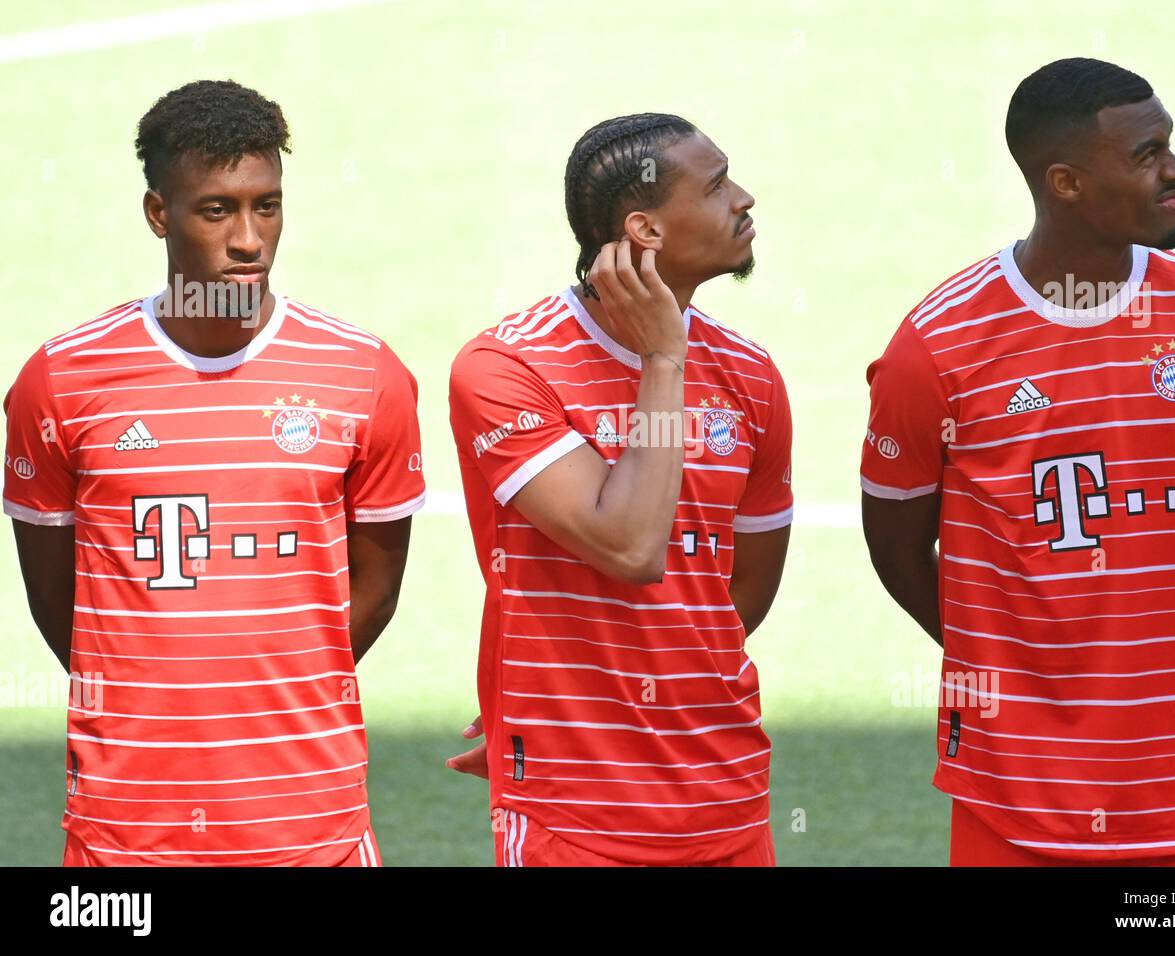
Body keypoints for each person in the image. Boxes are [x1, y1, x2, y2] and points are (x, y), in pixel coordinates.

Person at [859, 58, 1175, 866]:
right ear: (1064, 182)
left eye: (1170, 145)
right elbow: (894, 544)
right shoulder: (937, 348)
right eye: (1145, 154)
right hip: (1012, 790)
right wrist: (1004, 658)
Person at [3, 80, 424, 866]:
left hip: (311, 821)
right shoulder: (60, 381)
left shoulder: (366, 376)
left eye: (266, 206)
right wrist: (157, 696)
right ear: (159, 214)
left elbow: (374, 589)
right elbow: (59, 603)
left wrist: (273, 687)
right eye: (217, 210)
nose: (248, 239)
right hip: (127, 828)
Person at [446, 113, 793, 866]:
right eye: (715, 186)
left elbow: (739, 593)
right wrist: (664, 361)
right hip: (572, 809)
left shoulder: (753, 377)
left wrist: (637, 696)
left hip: (726, 790)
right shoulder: (507, 371)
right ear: (646, 229)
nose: (744, 198)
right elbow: (630, 545)